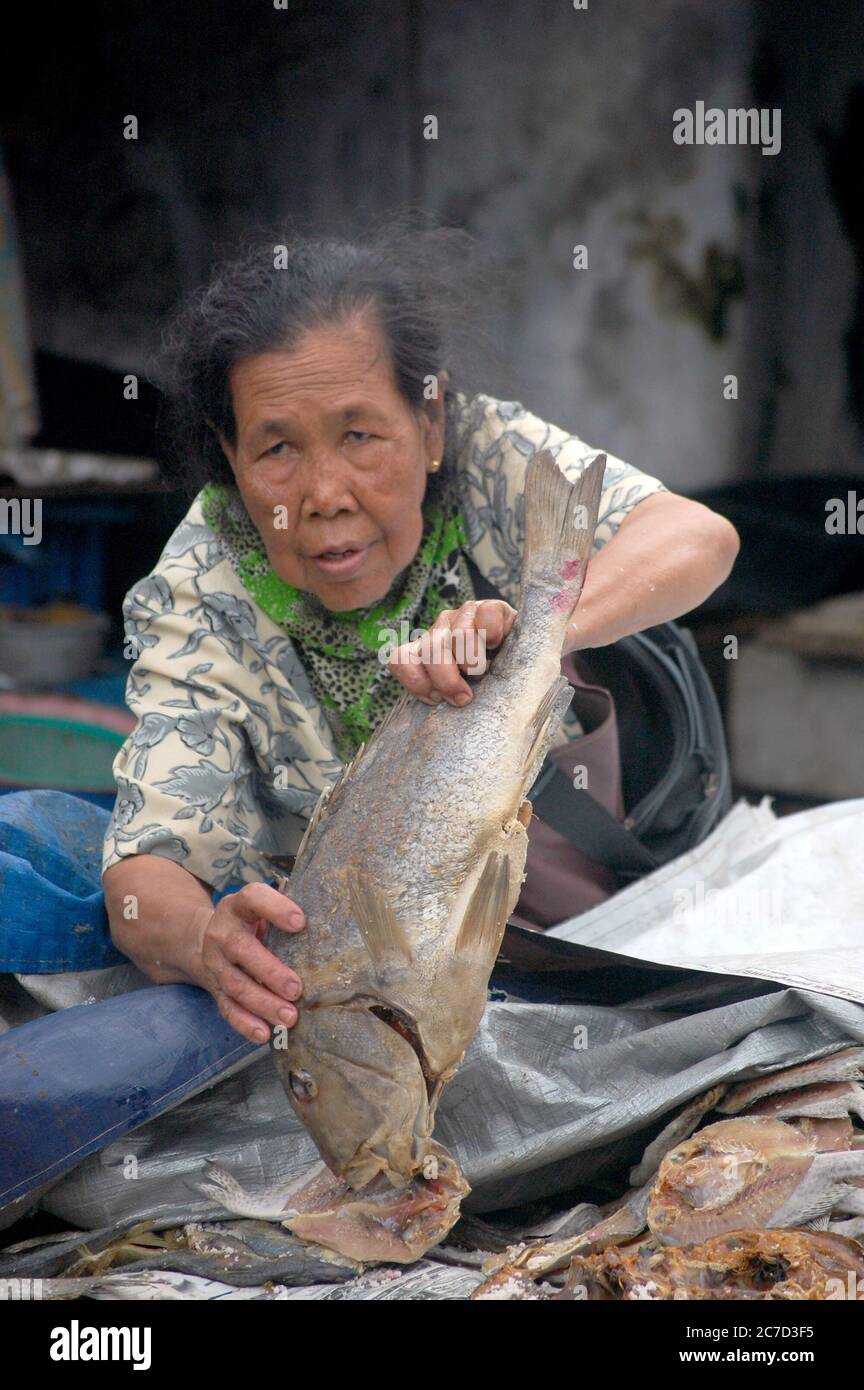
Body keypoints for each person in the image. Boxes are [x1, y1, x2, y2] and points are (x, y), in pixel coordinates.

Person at [102, 224, 739, 1046]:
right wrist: (203, 943)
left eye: (360, 435)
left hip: (566, 935)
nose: (326, 492)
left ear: (431, 422)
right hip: (357, 992)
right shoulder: (200, 592)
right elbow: (143, 868)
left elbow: (698, 538)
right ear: (229, 456)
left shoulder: (490, 458)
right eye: (277, 448)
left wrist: (536, 630)